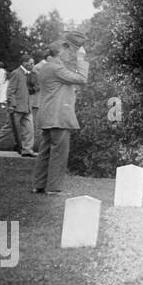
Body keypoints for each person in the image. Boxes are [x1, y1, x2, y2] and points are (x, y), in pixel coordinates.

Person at [32, 40, 89, 194]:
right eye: (67, 51)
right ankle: (54, 188)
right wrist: (81, 59)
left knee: (45, 152)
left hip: (47, 115)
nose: (69, 55)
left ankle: (39, 185)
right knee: (59, 153)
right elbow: (82, 79)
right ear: (60, 52)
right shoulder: (57, 69)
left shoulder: (46, 67)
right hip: (58, 116)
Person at [0, 56, 36, 157]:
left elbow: (28, 89)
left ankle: (27, 149)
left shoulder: (28, 74)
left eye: (33, 63)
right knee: (9, 128)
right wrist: (12, 104)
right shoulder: (16, 73)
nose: (32, 65)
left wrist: (33, 88)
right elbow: (10, 91)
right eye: (31, 63)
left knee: (29, 129)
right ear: (24, 63)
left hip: (27, 107)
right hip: (16, 107)